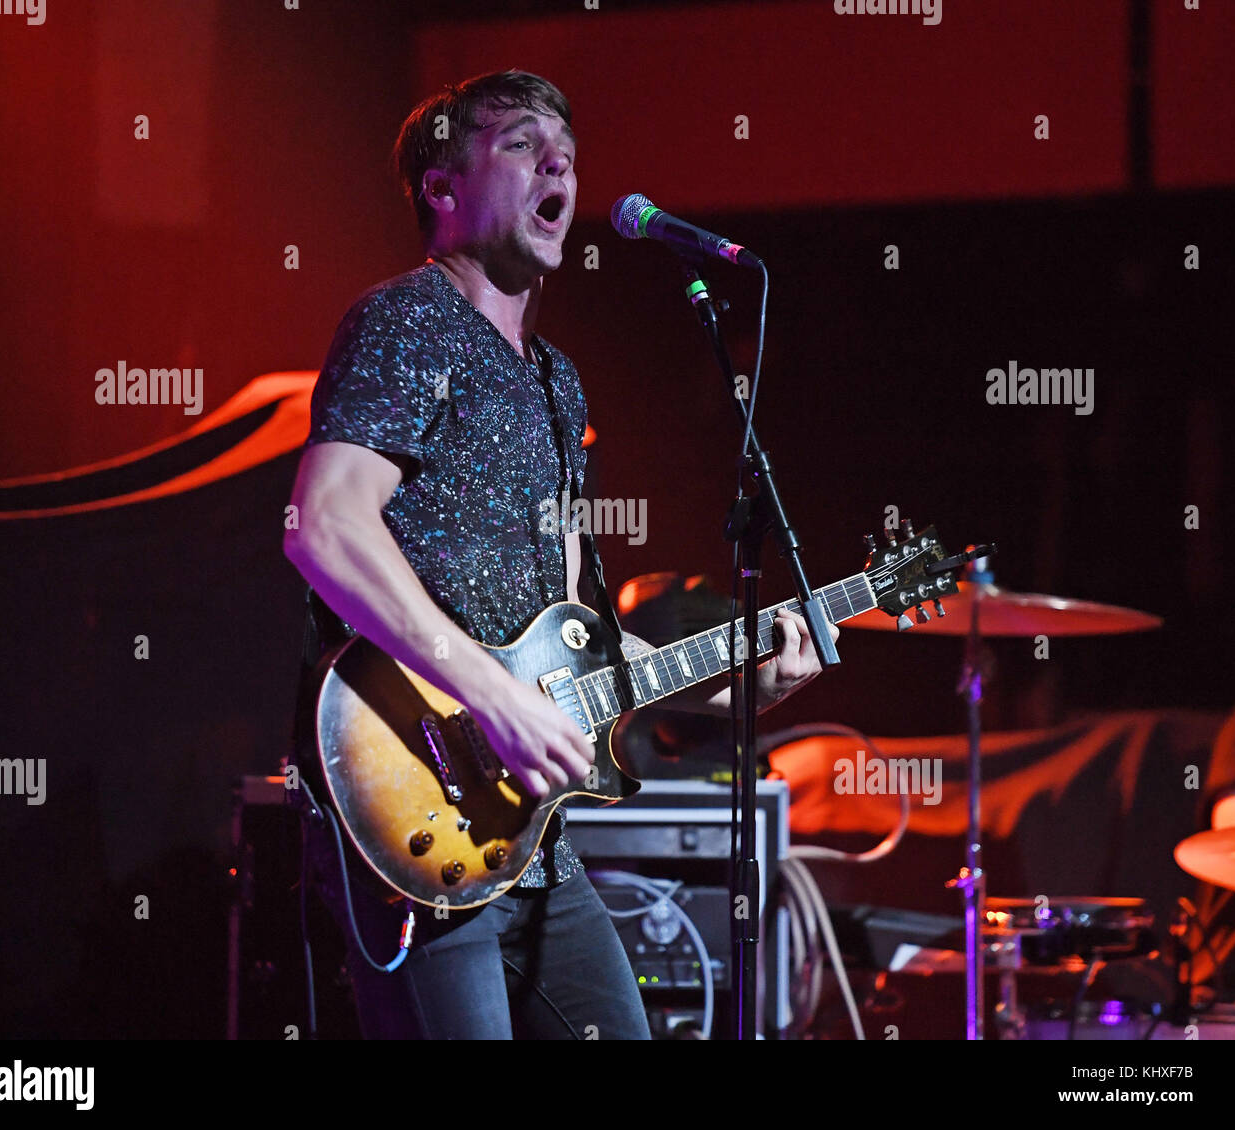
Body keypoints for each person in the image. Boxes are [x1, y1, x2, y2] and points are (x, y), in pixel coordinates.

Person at [282, 69, 835, 1040]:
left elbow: (590, 651)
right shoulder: (406, 321)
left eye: (567, 154)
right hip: (421, 811)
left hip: (533, 840)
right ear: (441, 188)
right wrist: (493, 698)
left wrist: (734, 685)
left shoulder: (558, 386)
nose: (560, 164)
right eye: (521, 144)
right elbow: (323, 526)